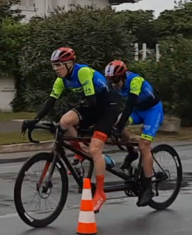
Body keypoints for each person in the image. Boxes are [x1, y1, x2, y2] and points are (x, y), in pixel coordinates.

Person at [22, 47, 121, 212]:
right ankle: (81, 151)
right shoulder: (61, 80)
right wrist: (34, 120)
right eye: (53, 65)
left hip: (108, 108)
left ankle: (101, 192)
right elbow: (50, 101)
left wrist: (79, 112)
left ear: (69, 64)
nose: (56, 69)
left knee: (95, 148)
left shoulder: (82, 72)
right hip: (91, 106)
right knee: (65, 122)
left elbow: (91, 100)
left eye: (59, 65)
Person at [104, 59, 161, 207]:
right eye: (111, 81)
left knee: (144, 145)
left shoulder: (135, 80)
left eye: (116, 80)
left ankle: (148, 187)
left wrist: (119, 126)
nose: (114, 84)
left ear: (123, 76)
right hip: (138, 111)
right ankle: (131, 152)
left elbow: (129, 104)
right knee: (117, 123)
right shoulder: (116, 85)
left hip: (152, 111)